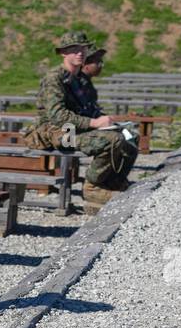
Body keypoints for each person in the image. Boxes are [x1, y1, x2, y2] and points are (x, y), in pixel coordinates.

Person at [24, 31, 138, 213]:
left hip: (75, 128)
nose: (80, 53)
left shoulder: (80, 79)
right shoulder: (55, 78)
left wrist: (108, 120)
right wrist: (95, 123)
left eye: (83, 49)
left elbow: (88, 108)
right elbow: (58, 116)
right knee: (112, 140)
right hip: (55, 132)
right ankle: (93, 189)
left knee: (130, 135)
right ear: (63, 53)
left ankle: (113, 182)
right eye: (74, 49)